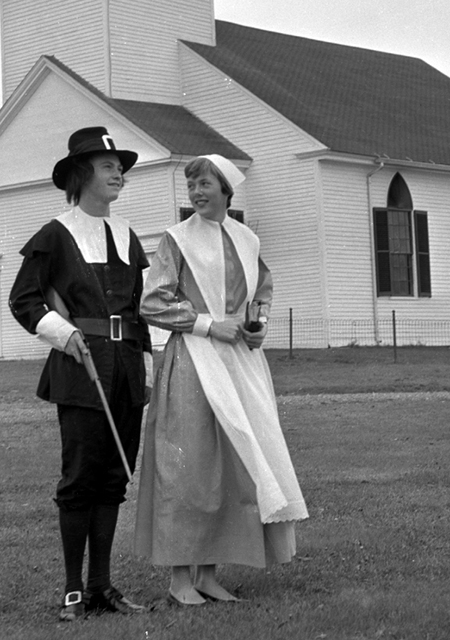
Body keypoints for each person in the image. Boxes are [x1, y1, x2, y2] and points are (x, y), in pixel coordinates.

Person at [134, 154, 308, 605]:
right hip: (193, 360)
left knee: (234, 463)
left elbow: (261, 290)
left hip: (240, 362)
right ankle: (178, 579)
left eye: (205, 183)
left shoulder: (246, 238)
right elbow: (152, 302)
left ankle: (208, 574)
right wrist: (209, 325)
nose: (196, 192)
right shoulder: (177, 240)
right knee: (190, 466)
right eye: (191, 185)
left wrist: (257, 322)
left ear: (226, 189)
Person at [8, 127, 152, 622]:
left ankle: (101, 587)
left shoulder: (129, 234)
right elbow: (24, 299)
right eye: (109, 166)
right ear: (80, 173)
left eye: (121, 168)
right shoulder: (55, 234)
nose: (119, 174)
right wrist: (61, 334)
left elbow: (137, 307)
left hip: (127, 371)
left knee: (114, 479)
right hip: (79, 369)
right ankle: (73, 591)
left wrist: (146, 363)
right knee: (80, 480)